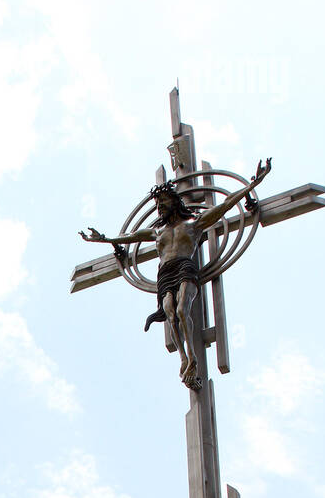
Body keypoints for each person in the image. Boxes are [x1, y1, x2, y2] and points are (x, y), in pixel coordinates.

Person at [80, 160, 271, 389]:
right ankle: (184, 359)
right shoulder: (157, 231)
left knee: (182, 309)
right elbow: (131, 237)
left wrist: (253, 184)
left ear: (174, 201)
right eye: (158, 203)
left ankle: (193, 357)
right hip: (165, 273)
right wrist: (105, 239)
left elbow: (226, 205)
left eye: (164, 202)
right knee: (170, 312)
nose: (160, 206)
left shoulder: (194, 223)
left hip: (184, 266)